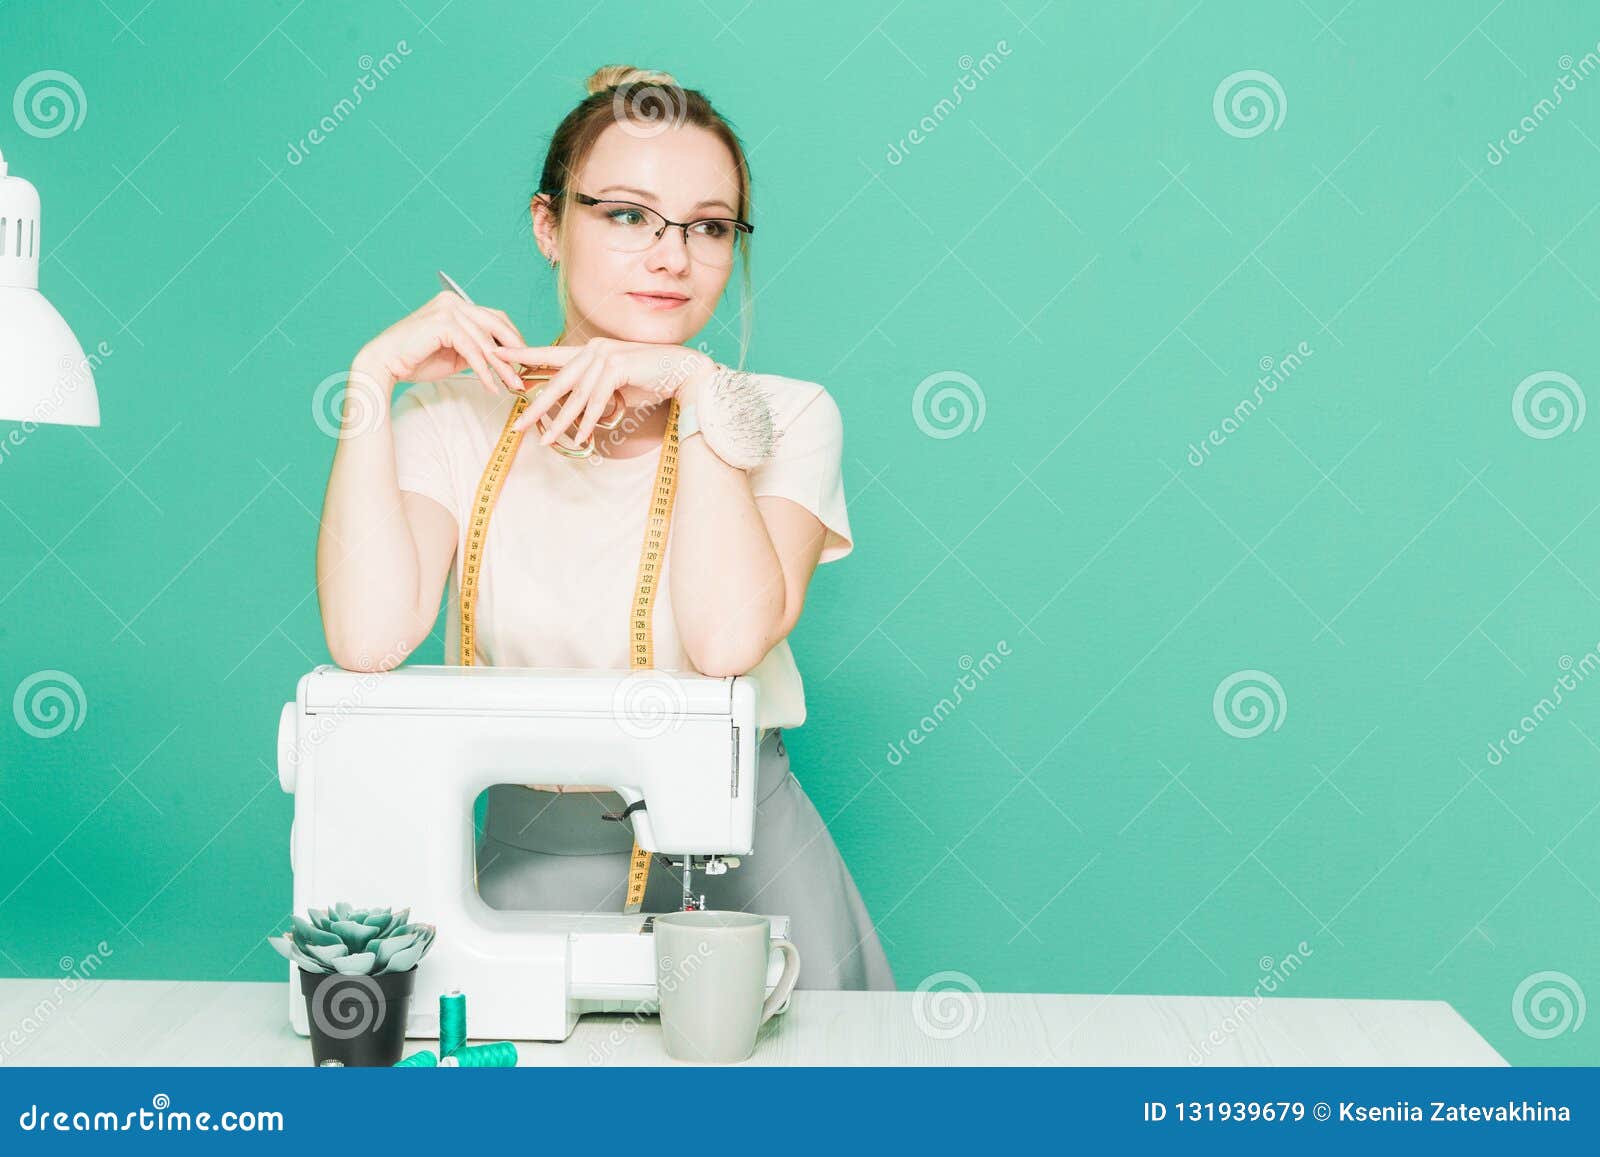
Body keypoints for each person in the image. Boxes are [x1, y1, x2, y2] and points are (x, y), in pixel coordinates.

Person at [315, 63, 894, 991]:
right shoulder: (455, 419)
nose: (673, 257)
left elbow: (725, 641)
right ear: (549, 225)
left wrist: (700, 393)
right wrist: (370, 382)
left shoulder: (782, 415)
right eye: (627, 215)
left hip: (751, 861)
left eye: (708, 227)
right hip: (532, 871)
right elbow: (366, 637)